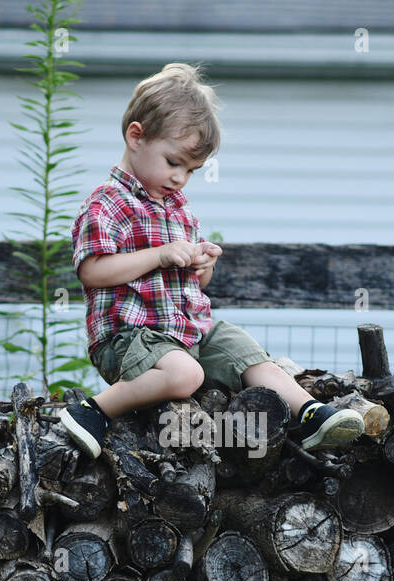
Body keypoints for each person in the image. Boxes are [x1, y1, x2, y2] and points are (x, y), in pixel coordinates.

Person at [58, 62, 364, 459]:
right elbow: (91, 271)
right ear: (137, 136)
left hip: (186, 331)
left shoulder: (178, 211)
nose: (180, 178)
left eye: (192, 170)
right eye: (173, 162)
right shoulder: (107, 204)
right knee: (187, 374)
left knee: (245, 349)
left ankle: (309, 414)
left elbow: (188, 286)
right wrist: (160, 254)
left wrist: (202, 267)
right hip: (129, 338)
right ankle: (93, 411)